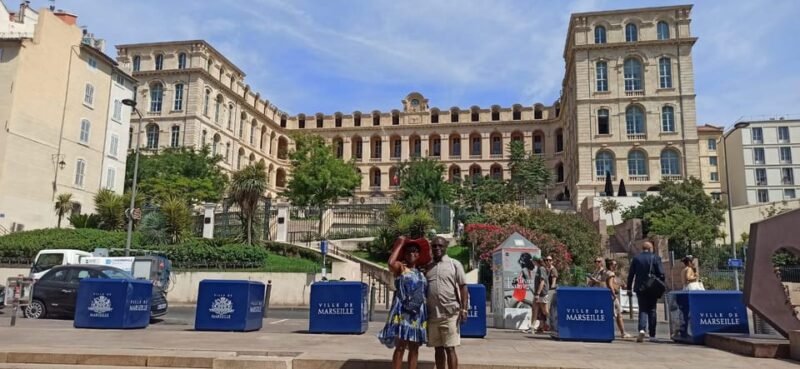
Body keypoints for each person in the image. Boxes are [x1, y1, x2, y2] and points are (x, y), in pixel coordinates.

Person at [378, 236, 431, 369]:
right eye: (408, 251)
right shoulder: (401, 268)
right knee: (400, 346)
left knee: (414, 347)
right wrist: (400, 244)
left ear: (419, 254)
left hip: (417, 314)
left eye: (415, 251)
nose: (412, 253)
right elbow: (390, 263)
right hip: (403, 312)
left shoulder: (421, 272)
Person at [425, 236, 468, 369]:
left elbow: (463, 286)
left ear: (446, 247)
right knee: (437, 348)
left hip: (450, 314)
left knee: (450, 348)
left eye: (440, 246)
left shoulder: (454, 264)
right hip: (433, 315)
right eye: (434, 246)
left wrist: (464, 309)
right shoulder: (428, 267)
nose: (437, 248)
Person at [626, 242, 665, 343]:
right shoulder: (655, 258)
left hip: (640, 288)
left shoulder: (636, 258)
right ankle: (652, 335)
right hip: (652, 287)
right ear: (651, 248)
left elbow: (631, 275)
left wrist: (629, 288)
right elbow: (661, 274)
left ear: (642, 248)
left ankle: (642, 329)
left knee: (642, 308)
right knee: (652, 310)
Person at [604, 259, 631, 338]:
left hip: (608, 296)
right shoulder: (611, 274)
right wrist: (614, 294)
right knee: (619, 315)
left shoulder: (606, 272)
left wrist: (619, 285)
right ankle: (623, 332)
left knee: (612, 315)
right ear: (610, 265)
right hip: (612, 296)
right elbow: (610, 285)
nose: (616, 266)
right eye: (614, 265)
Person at [530, 255, 550, 333]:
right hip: (537, 293)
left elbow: (542, 282)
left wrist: (538, 293)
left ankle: (554, 323)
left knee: (545, 311)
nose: (532, 262)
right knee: (534, 310)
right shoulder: (538, 268)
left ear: (536, 261)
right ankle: (532, 328)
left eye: (533, 261)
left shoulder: (542, 269)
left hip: (542, 293)